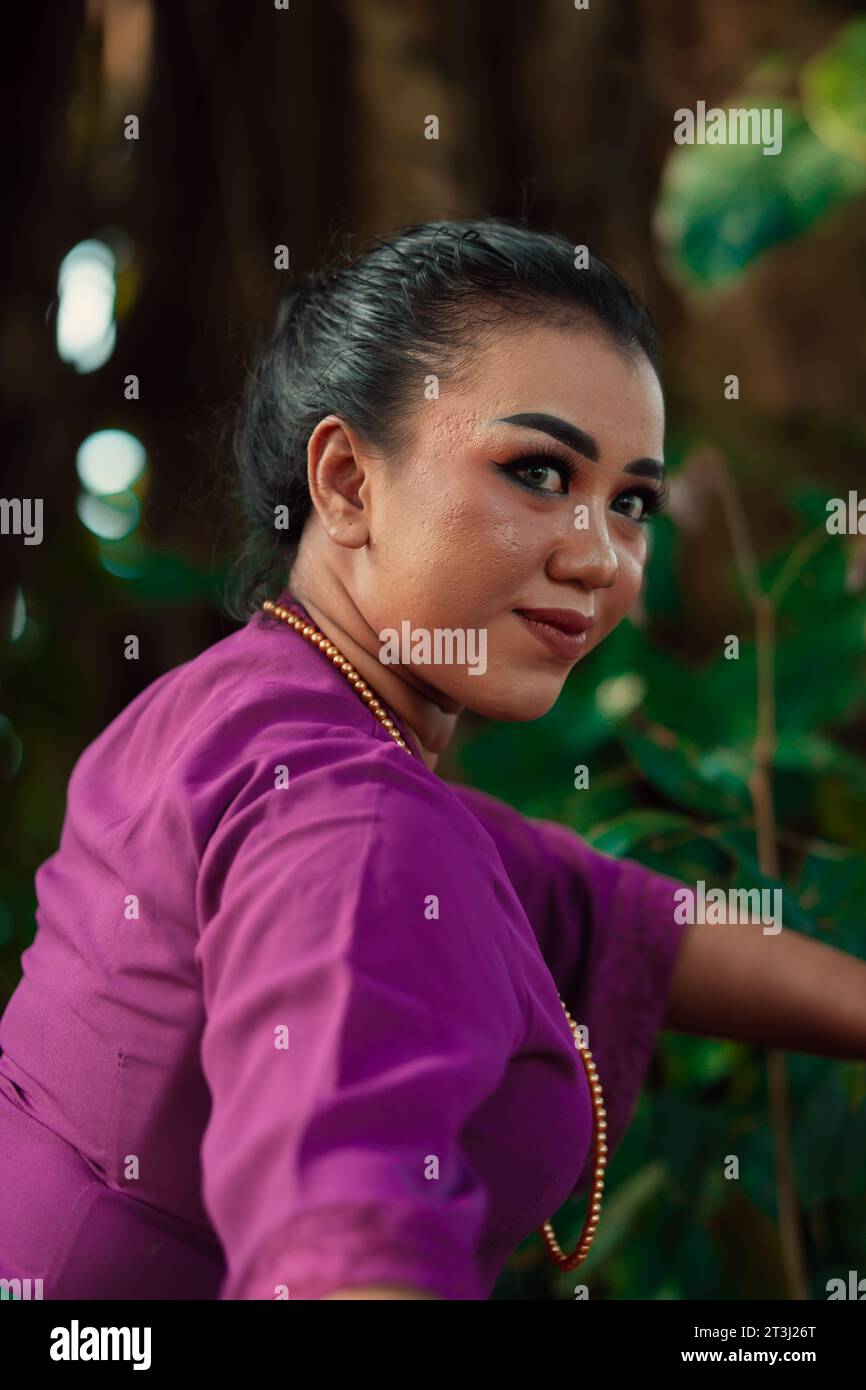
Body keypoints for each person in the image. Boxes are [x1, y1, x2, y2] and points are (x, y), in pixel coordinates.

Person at [1, 219, 864, 1301]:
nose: (598, 556)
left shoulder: (248, 708)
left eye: (631, 501)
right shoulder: (350, 818)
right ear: (348, 482)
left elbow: (594, 909)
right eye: (536, 470)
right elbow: (342, 1232)